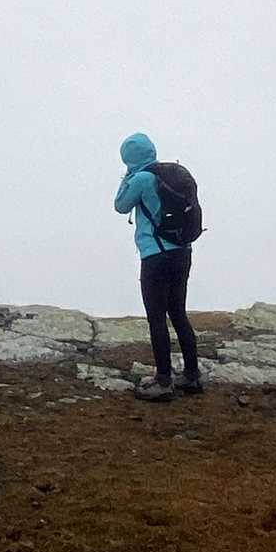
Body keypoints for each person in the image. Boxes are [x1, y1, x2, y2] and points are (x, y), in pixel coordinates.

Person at [113, 132, 200, 401]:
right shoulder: (174, 173)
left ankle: (163, 380)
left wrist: (126, 176)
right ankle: (192, 376)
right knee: (178, 313)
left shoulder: (141, 179)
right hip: (182, 251)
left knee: (156, 317)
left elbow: (120, 205)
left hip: (155, 256)